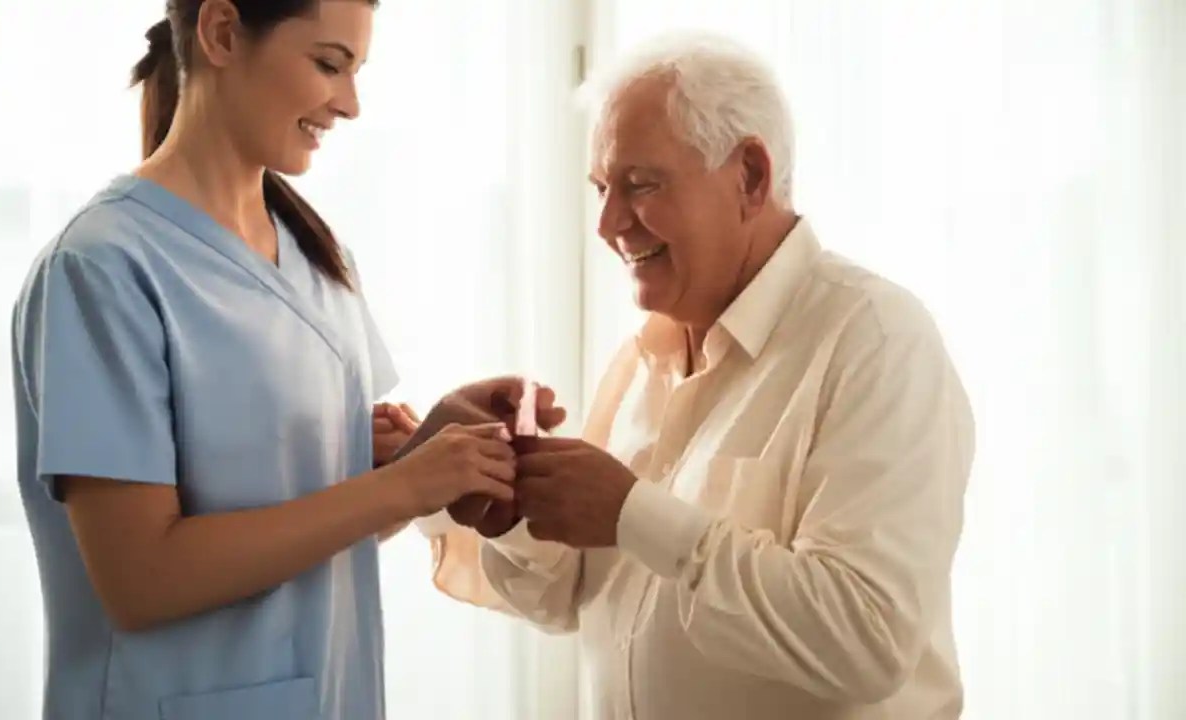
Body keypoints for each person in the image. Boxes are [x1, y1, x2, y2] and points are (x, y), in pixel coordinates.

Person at [10, 2, 561, 718]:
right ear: (222, 33)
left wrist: (421, 457)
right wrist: (397, 487)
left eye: (355, 71)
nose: (351, 104)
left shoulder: (318, 259)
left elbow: (323, 519)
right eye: (329, 65)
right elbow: (141, 578)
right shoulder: (101, 269)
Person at [415, 32, 976, 719]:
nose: (607, 224)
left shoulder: (876, 341)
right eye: (600, 188)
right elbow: (571, 601)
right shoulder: (640, 358)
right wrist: (512, 513)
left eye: (639, 185)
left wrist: (632, 513)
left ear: (750, 177)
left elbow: (867, 637)